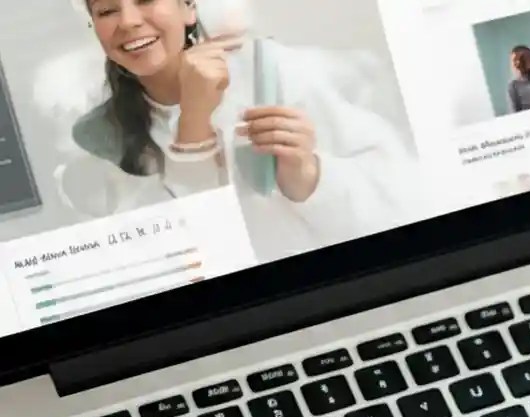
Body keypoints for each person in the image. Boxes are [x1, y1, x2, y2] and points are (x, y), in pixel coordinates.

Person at [70, 0, 418, 262]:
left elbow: (397, 205)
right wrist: (194, 117)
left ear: (189, 8)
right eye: (106, 11)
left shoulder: (269, 70)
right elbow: (181, 255)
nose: (128, 21)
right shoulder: (99, 137)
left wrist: (308, 176)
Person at [506, 46, 530, 114]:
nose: (519, 63)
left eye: (522, 59)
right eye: (515, 60)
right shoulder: (513, 85)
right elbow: (515, 112)